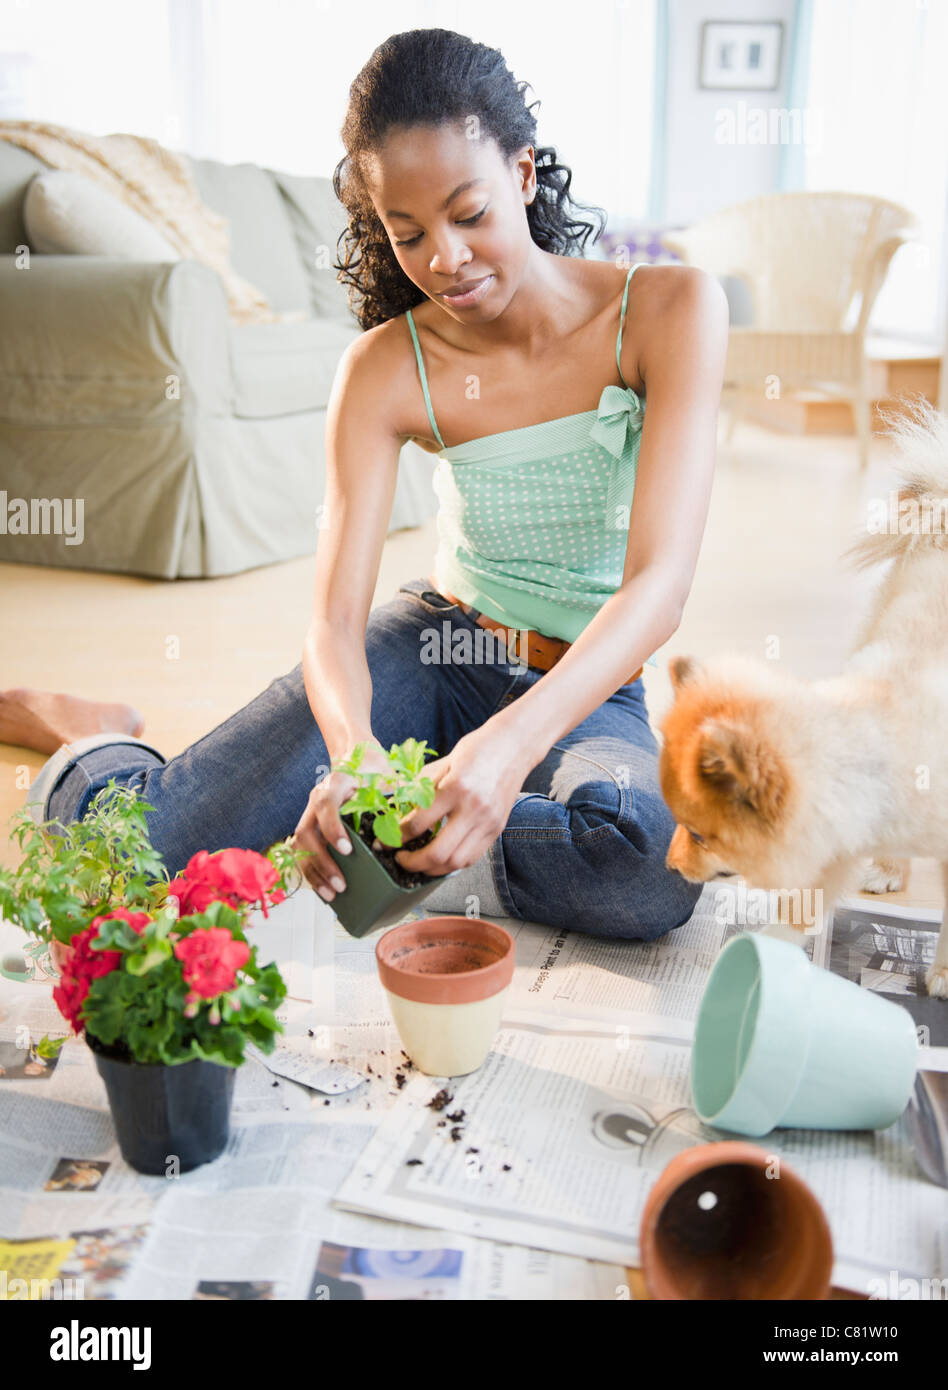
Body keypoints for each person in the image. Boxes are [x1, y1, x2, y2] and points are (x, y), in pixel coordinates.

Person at [1, 29, 728, 940]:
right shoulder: (386, 368)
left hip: (589, 682)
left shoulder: (668, 310)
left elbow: (659, 587)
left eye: (470, 214)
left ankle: (423, 842)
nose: (447, 261)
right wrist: (351, 761)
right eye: (409, 233)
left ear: (526, 173)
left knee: (644, 869)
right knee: (129, 861)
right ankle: (90, 738)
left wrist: (503, 754)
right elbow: (334, 625)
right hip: (430, 648)